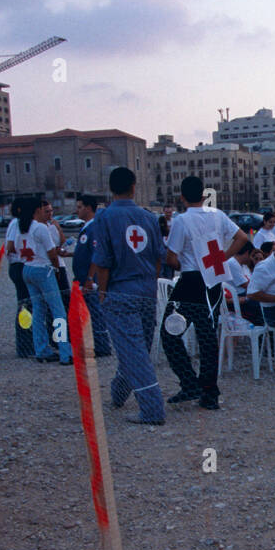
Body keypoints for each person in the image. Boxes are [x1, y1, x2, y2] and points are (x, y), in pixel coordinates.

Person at [161, 175, 249, 410]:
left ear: (181, 197)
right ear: (203, 195)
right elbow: (242, 238)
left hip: (190, 280)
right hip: (214, 279)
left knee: (169, 331)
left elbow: (171, 258)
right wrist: (222, 258)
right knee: (208, 335)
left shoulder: (181, 220)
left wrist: (181, 265)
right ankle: (209, 392)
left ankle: (189, 382)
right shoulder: (218, 215)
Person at [90, 167, 166, 424]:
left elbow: (103, 262)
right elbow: (158, 257)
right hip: (146, 291)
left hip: (120, 292)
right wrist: (150, 284)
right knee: (136, 349)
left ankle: (153, 409)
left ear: (111, 188)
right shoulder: (149, 217)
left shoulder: (104, 218)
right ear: (134, 186)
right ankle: (120, 392)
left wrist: (102, 293)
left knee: (133, 352)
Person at [12, 197, 72, 366]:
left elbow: (14, 248)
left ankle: (41, 349)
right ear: (36, 210)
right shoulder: (40, 228)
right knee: (58, 311)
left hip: (27, 268)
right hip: (43, 269)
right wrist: (57, 269)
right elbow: (52, 252)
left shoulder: (20, 227)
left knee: (38, 311)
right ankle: (66, 353)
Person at [71, 193, 112, 357]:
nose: (77, 210)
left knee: (95, 313)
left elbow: (96, 255)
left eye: (80, 207)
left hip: (89, 280)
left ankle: (102, 345)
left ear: (88, 208)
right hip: (82, 278)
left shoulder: (94, 228)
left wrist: (89, 278)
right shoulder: (86, 227)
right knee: (87, 314)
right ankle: (92, 344)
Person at [4, 199, 36, 358]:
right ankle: (25, 345)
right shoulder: (16, 224)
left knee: (27, 305)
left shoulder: (21, 224)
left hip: (20, 265)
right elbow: (9, 247)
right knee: (25, 306)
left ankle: (28, 342)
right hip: (20, 265)